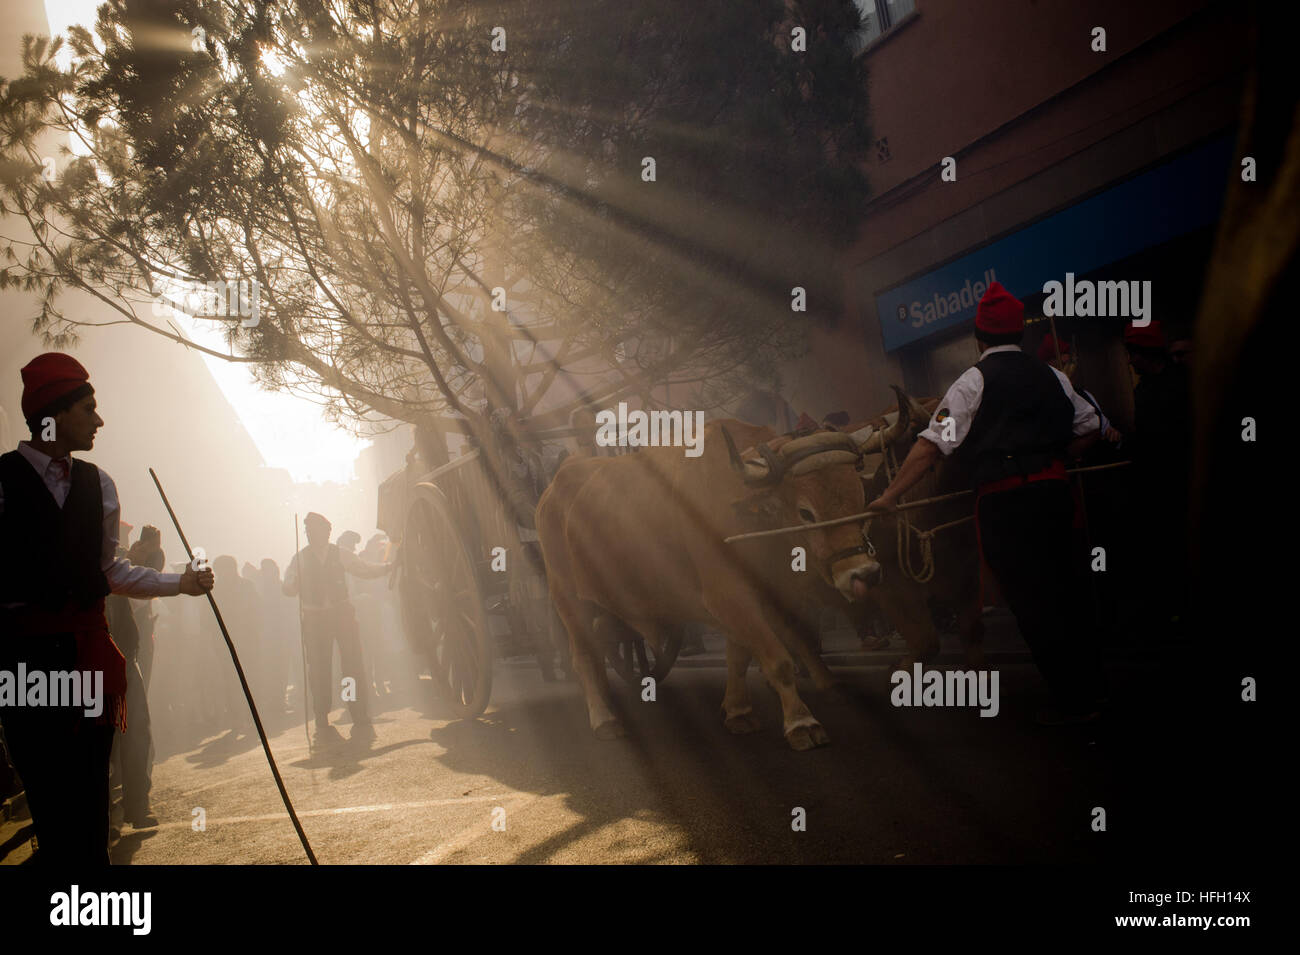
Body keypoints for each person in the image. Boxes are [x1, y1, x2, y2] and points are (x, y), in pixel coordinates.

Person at [0, 353, 213, 866]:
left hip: (88, 658)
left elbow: (109, 572)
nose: (99, 420)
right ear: (53, 413)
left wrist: (178, 582)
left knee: (92, 794)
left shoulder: (100, 485)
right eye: (88, 408)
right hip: (25, 664)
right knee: (51, 802)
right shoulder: (4, 482)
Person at [867, 284, 1105, 725]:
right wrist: (1054, 461)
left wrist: (888, 496)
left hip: (1005, 505)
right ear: (1021, 333)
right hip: (1056, 497)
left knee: (1030, 600)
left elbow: (929, 448)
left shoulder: (972, 382)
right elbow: (1093, 425)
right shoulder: (1054, 377)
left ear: (979, 338)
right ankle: (1092, 688)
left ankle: (1075, 699)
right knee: (1069, 592)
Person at [283, 512, 390, 744]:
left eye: (316, 530)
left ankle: (357, 711)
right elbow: (288, 586)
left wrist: (387, 567)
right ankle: (321, 713)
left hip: (341, 614)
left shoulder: (340, 554)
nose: (312, 534)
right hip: (314, 618)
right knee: (319, 668)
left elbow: (364, 569)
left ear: (327, 531)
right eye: (309, 531)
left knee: (351, 665)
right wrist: (293, 585)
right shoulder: (299, 559)